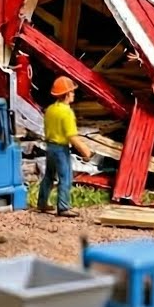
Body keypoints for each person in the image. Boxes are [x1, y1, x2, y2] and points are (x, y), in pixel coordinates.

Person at [38, 76, 92, 218]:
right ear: (67, 94)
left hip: (49, 147)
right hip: (61, 149)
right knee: (65, 177)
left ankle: (42, 203)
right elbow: (72, 136)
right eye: (72, 92)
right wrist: (86, 151)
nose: (74, 94)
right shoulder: (66, 112)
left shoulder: (50, 110)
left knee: (49, 176)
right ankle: (63, 207)